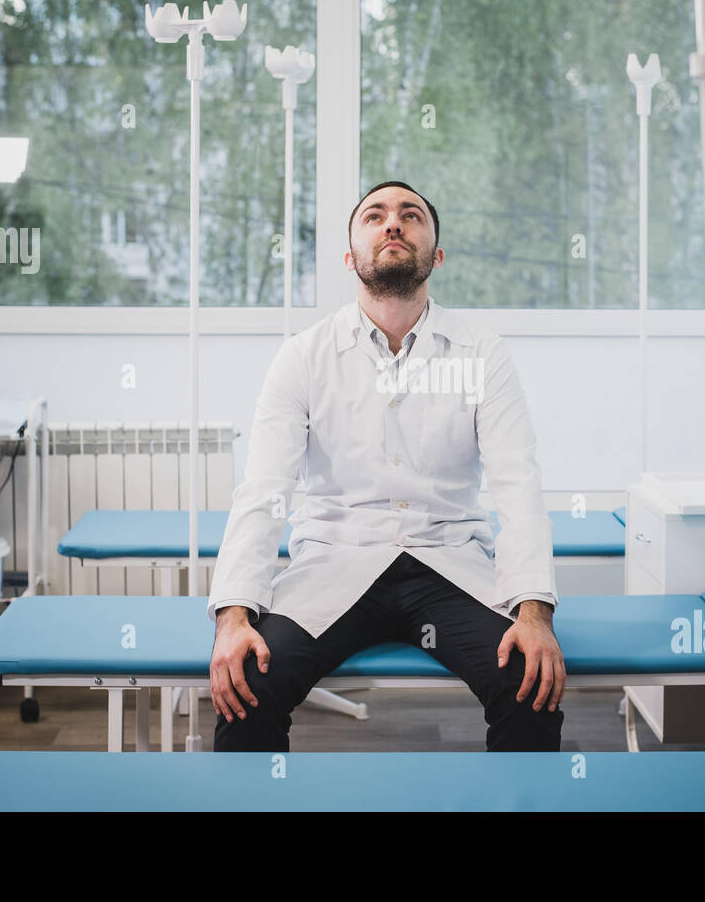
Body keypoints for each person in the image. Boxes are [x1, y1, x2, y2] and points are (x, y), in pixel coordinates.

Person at [208, 180, 564, 751]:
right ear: (350, 257)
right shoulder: (304, 356)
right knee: (250, 684)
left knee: (528, 681)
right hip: (335, 559)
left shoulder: (481, 352)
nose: (393, 223)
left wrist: (534, 613)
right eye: (375, 216)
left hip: (447, 561)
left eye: (410, 216)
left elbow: (517, 482)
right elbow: (263, 490)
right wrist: (233, 616)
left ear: (436, 256)